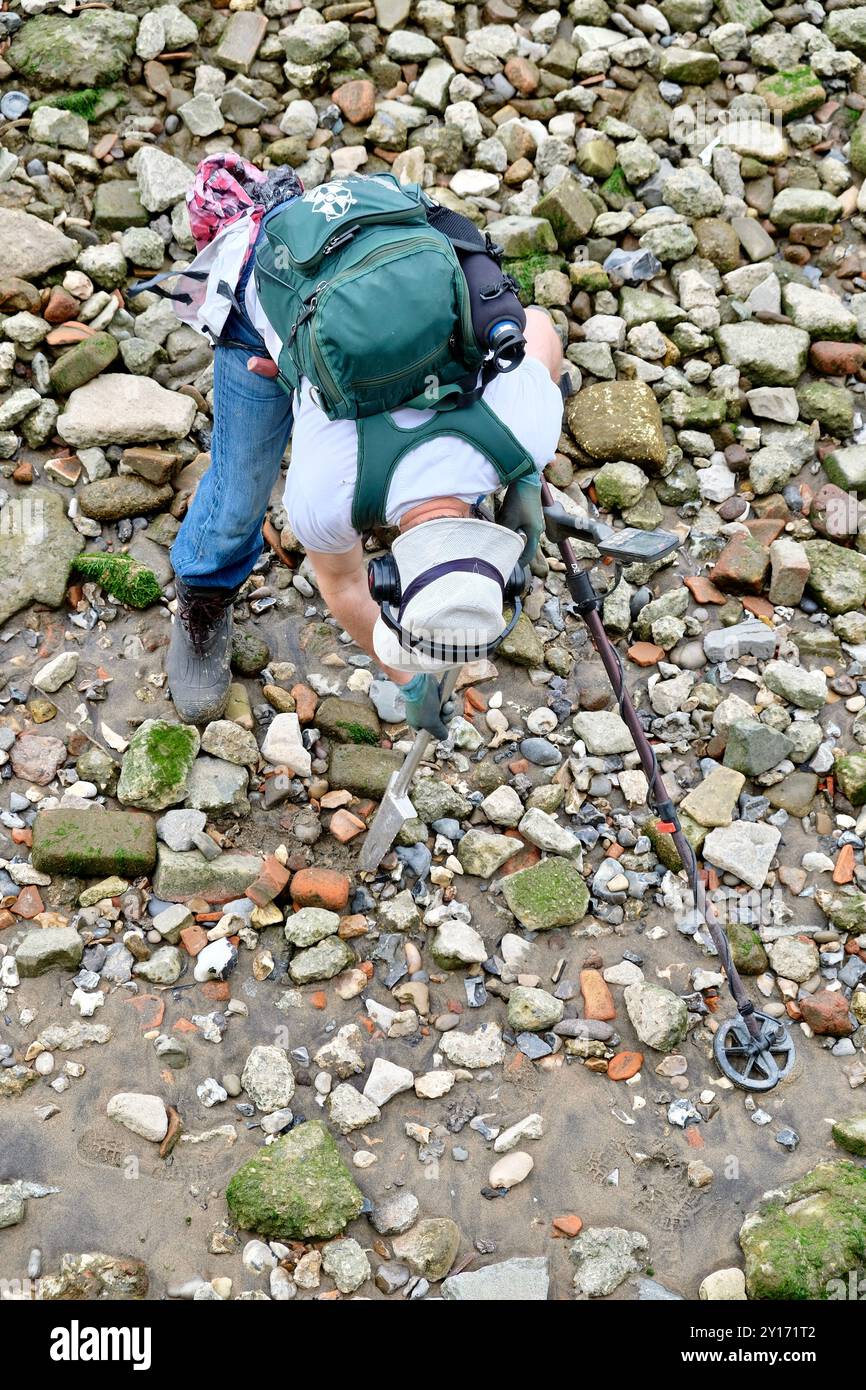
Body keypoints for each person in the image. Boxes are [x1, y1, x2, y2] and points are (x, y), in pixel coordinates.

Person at [154, 161, 564, 730]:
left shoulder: (529, 430)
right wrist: (412, 681)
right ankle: (203, 589)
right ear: (390, 573)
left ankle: (308, 243)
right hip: (270, 287)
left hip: (377, 223)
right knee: (237, 497)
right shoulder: (329, 496)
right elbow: (343, 584)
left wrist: (525, 471)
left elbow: (536, 328)